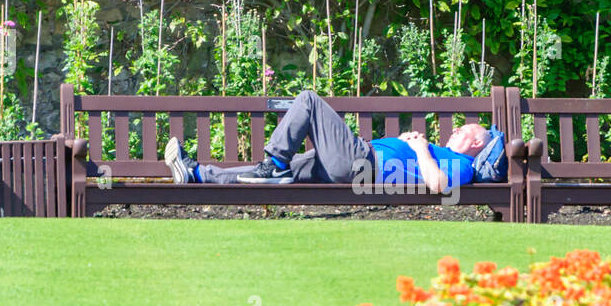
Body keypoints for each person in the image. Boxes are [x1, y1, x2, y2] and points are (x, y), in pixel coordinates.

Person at [163, 89, 490, 194]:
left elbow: (439, 186)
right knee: (282, 174)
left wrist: (420, 149)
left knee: (308, 100)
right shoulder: (440, 152)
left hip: (360, 164)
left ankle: (273, 163)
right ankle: (199, 175)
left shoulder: (463, 166)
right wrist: (408, 143)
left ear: (476, 143)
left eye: (465, 130)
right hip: (355, 167)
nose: (457, 130)